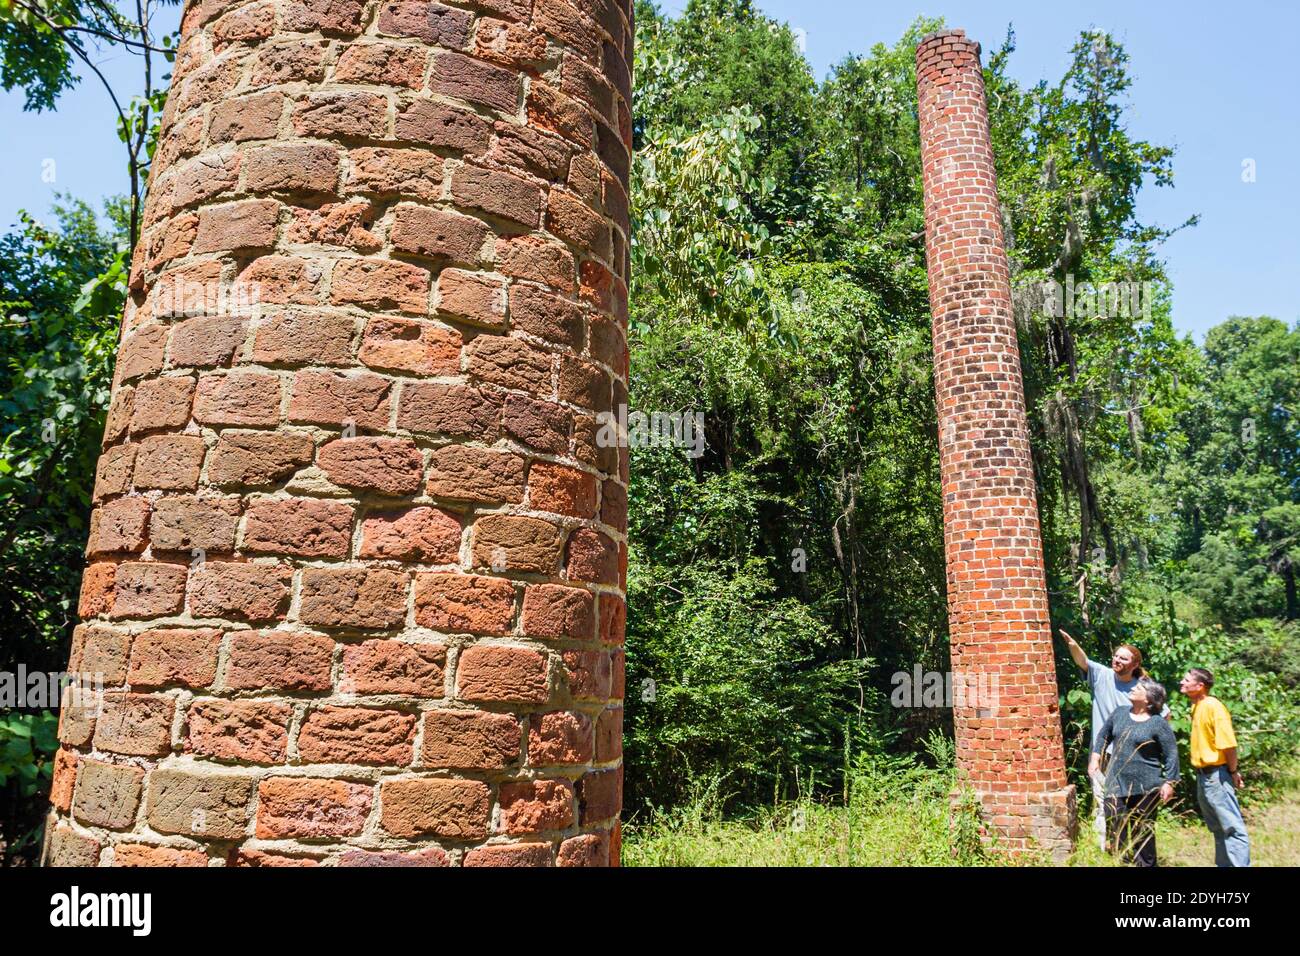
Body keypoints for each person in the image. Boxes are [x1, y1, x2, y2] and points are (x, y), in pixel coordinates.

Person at [1057, 629, 1165, 849]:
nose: (1117, 660)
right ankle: (1105, 847)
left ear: (1134, 664)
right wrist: (1072, 644)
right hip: (1102, 753)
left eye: (1123, 658)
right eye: (1116, 655)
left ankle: (1129, 846)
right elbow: (1084, 661)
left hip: (1132, 756)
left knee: (1128, 803)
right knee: (1102, 800)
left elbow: (1164, 715)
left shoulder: (1142, 688)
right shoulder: (1103, 675)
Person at [1089, 677, 1178, 866]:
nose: (1133, 688)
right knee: (1116, 828)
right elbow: (1103, 735)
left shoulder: (1157, 723)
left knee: (1142, 832)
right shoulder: (1119, 713)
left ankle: (1145, 864)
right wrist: (1096, 757)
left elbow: (1171, 753)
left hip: (1146, 786)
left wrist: (1170, 781)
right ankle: (1120, 862)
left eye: (1139, 688)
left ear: (1148, 699)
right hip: (1116, 782)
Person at [1179, 668, 1251, 867]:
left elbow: (1229, 745)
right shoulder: (1197, 707)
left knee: (1232, 828)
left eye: (1186, 680)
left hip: (1217, 774)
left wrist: (1233, 772)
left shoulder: (1213, 707)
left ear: (1200, 686)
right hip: (1204, 776)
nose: (1181, 682)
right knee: (1218, 828)